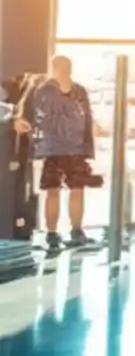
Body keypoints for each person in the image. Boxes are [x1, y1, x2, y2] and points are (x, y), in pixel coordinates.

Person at [14, 56, 103, 251]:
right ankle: (53, 232)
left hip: (74, 149)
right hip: (54, 149)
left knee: (75, 190)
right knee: (54, 191)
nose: (64, 71)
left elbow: (87, 116)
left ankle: (74, 230)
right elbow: (26, 113)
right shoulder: (42, 90)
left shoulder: (77, 91)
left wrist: (90, 139)